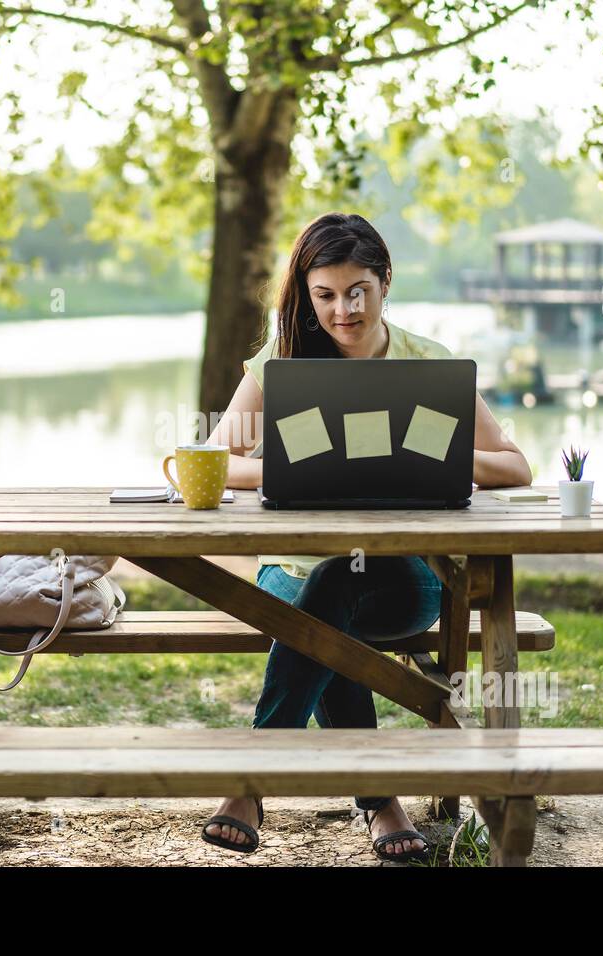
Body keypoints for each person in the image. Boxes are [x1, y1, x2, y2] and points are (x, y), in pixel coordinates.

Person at [197, 212, 534, 862]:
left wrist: (441, 454)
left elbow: (517, 466)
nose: (341, 310)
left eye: (358, 292)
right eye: (324, 295)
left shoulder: (427, 364)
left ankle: (251, 781)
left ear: (385, 283)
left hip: (406, 579)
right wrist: (282, 469)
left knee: (331, 593)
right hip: (291, 572)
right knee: (323, 595)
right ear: (308, 293)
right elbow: (215, 458)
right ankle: (381, 804)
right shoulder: (285, 363)